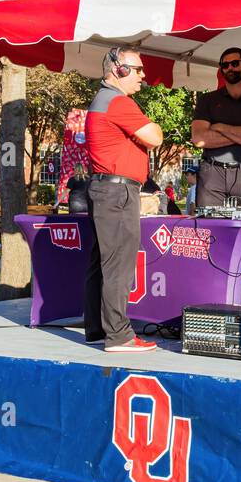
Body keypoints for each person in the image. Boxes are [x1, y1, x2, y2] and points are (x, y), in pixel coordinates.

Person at [84, 46, 162, 352]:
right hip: (117, 192)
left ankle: (96, 329)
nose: (143, 76)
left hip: (106, 189)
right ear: (119, 69)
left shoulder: (104, 100)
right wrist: (147, 127)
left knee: (101, 263)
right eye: (138, 69)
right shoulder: (118, 102)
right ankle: (118, 336)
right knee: (118, 265)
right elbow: (155, 136)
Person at [191, 47, 241, 208]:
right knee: (209, 227)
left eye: (235, 63)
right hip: (212, 171)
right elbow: (199, 139)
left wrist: (219, 127)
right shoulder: (207, 100)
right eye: (225, 65)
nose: (229, 68)